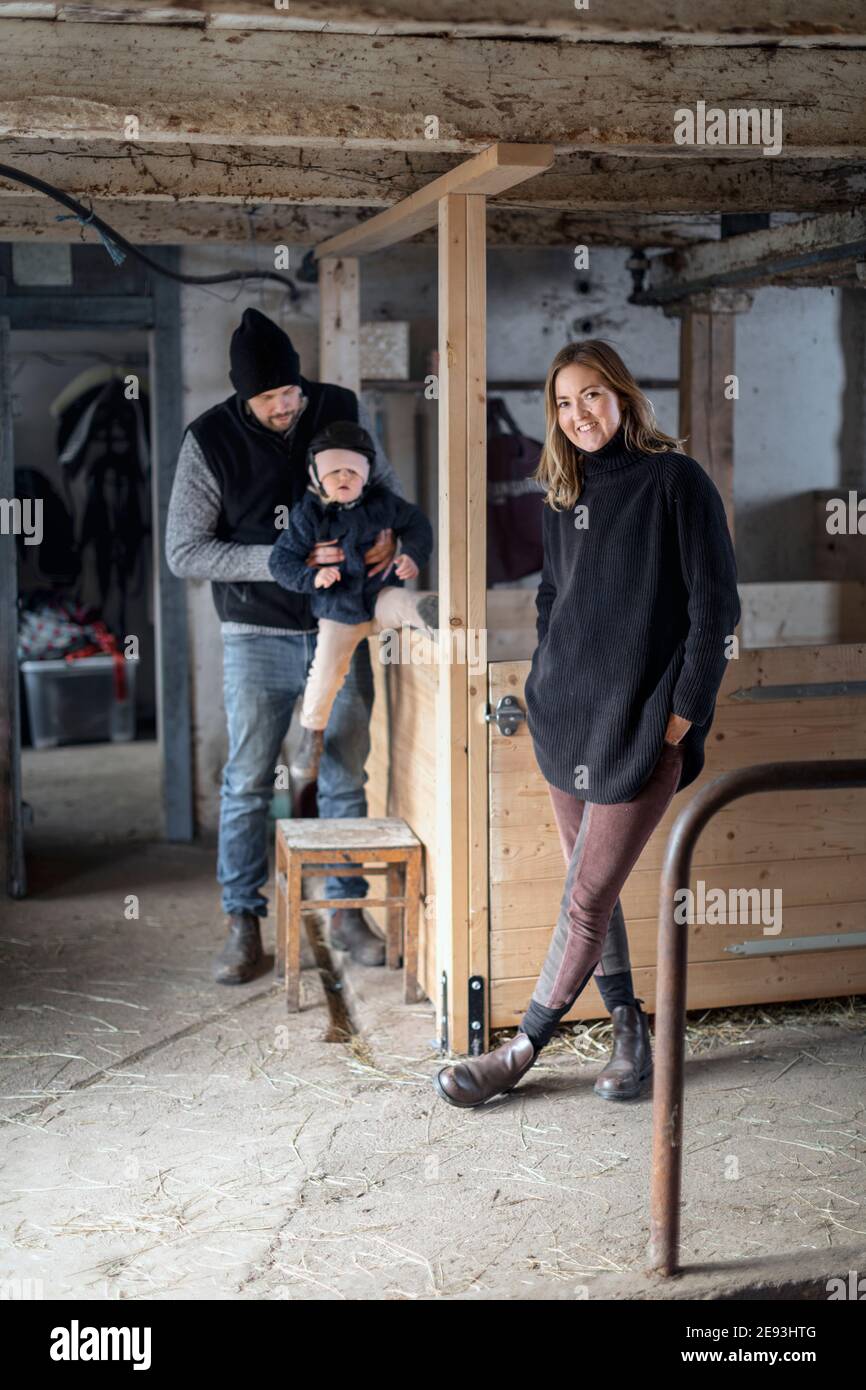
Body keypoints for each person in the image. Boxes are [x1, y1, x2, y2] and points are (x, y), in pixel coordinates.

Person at [434, 339, 741, 1108]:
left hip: (642, 728)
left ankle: (520, 1050)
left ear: (624, 395)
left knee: (583, 899)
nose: (579, 415)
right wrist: (545, 681)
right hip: (565, 720)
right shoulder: (562, 493)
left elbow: (715, 614)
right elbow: (552, 598)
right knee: (591, 897)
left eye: (592, 396)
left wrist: (679, 722)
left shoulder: (676, 480)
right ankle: (630, 1032)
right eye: (565, 404)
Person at [166, 307, 405, 983]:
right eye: (270, 398)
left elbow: (383, 490)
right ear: (244, 396)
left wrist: (377, 537)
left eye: (292, 392)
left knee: (343, 775)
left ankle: (347, 913)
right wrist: (281, 558)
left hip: (341, 626)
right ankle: (243, 922)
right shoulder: (208, 440)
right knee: (247, 780)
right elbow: (185, 551)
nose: (287, 407)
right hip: (256, 631)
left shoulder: (337, 409)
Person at [268, 420, 439, 783]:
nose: (343, 478)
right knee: (326, 670)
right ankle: (312, 733)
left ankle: (431, 614)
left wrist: (411, 554)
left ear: (366, 475)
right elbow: (280, 562)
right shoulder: (307, 515)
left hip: (379, 597)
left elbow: (418, 525)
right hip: (338, 610)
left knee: (403, 603)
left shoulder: (383, 504)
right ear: (316, 475)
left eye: (352, 471)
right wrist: (312, 577)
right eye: (334, 472)